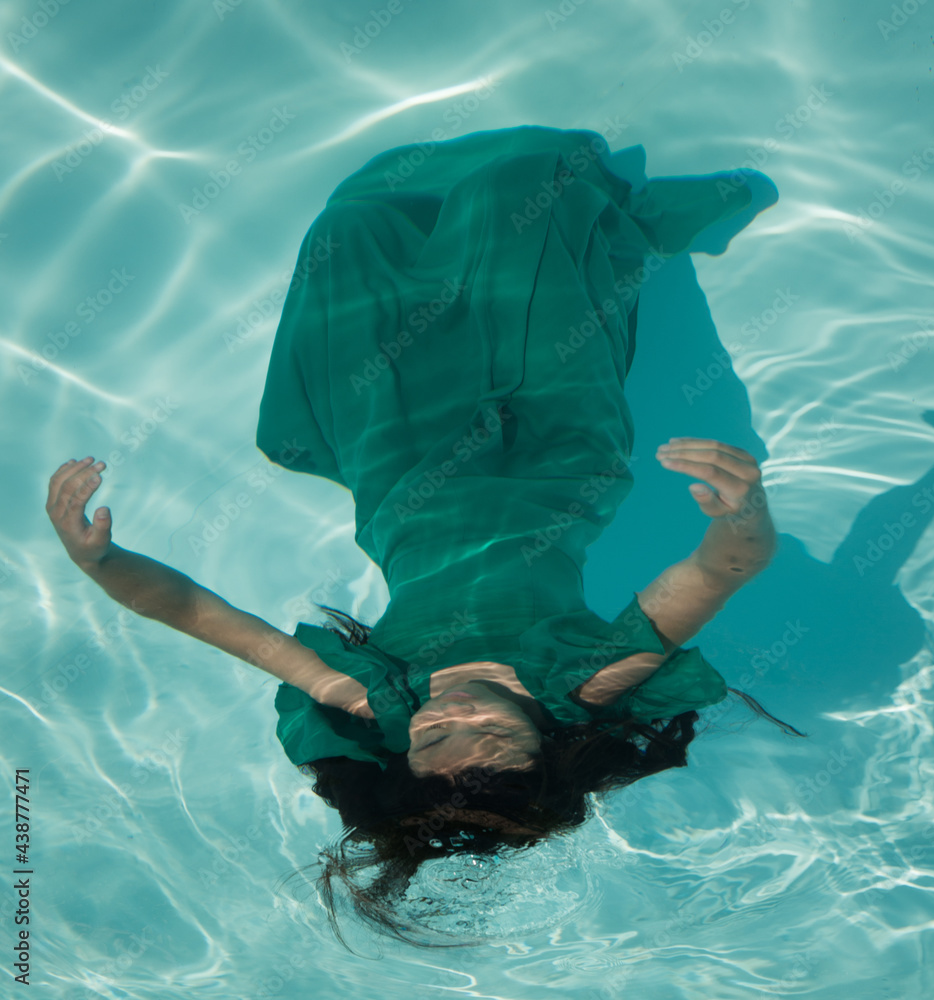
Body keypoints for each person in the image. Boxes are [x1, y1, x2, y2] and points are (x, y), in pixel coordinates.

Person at [46, 125, 805, 948]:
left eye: (433, 739)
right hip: (556, 452)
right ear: (545, 742)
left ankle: (600, 234)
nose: (452, 714)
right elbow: (727, 569)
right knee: (519, 189)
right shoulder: (584, 682)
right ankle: (630, 230)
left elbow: (205, 620)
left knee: (352, 234)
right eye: (492, 734)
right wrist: (742, 510)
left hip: (402, 465)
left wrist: (101, 561)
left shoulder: (374, 697)